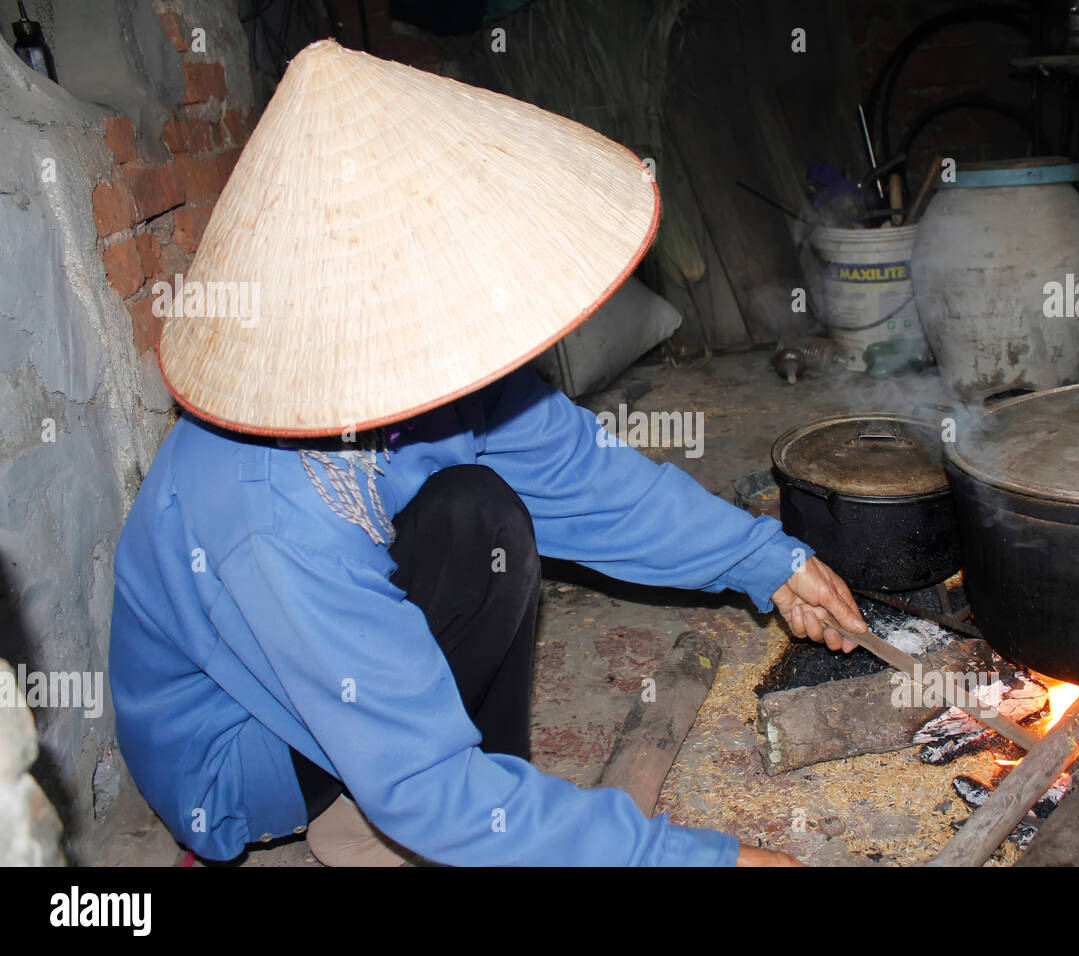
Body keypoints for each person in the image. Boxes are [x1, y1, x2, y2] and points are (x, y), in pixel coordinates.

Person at [109, 40, 867, 867]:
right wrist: (689, 861)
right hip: (240, 751)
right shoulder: (268, 507)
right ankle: (406, 818)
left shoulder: (425, 360)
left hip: (326, 654)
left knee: (483, 519)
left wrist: (765, 560)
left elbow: (583, 480)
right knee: (473, 596)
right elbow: (428, 785)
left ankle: (427, 802)